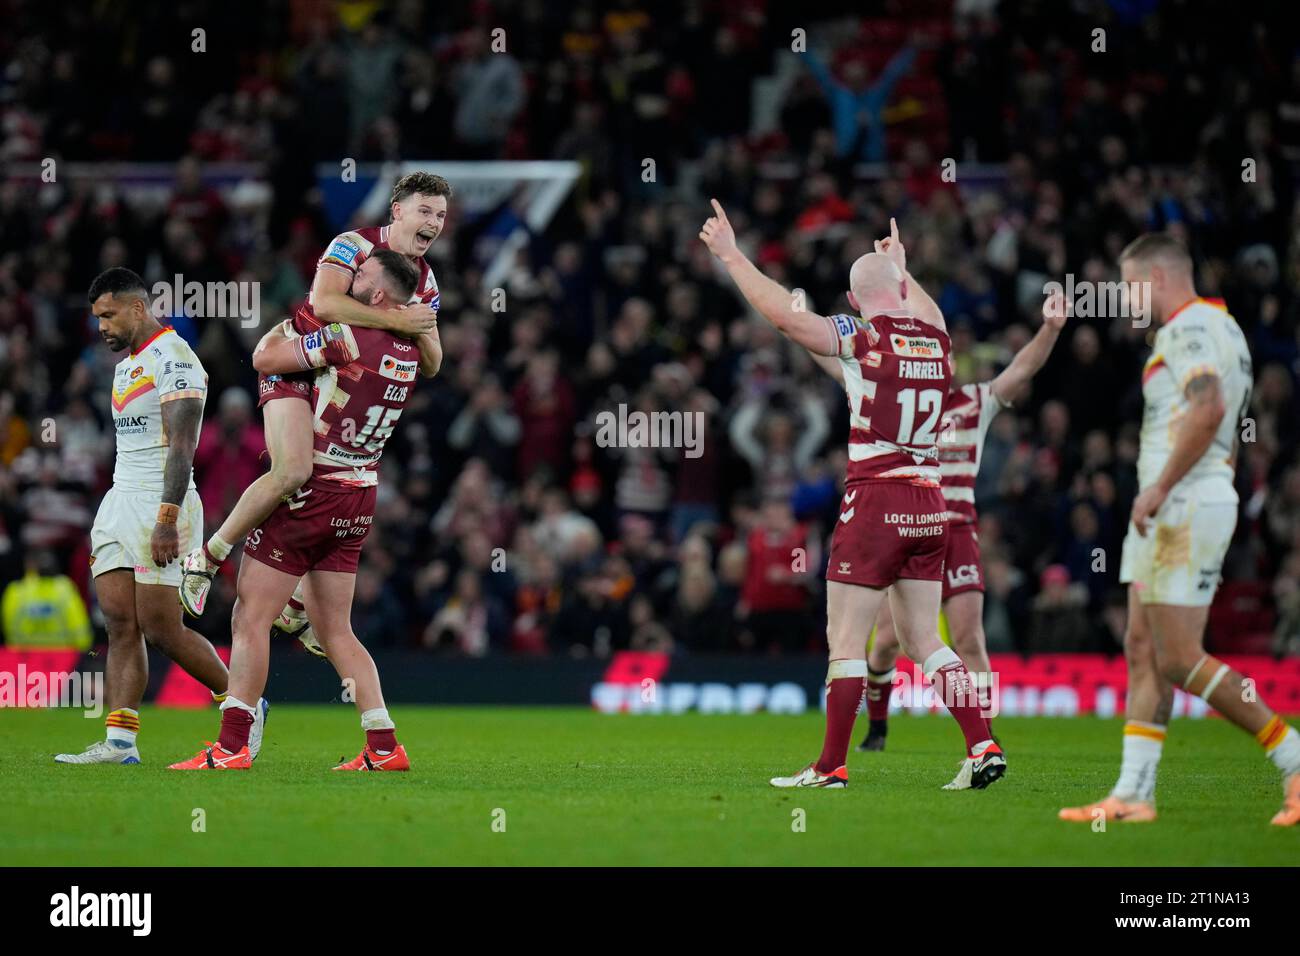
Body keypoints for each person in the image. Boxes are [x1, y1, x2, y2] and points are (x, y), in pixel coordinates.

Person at [700, 205, 1003, 789]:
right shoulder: (939, 341)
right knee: (925, 641)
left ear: (855, 300)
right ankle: (982, 742)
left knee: (846, 641)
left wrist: (731, 256)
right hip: (931, 505)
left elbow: (791, 323)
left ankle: (830, 766)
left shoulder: (861, 335)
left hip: (875, 503)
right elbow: (925, 308)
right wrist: (902, 266)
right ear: (903, 290)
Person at [1059, 233, 1300, 826]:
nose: (1126, 297)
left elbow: (1210, 405)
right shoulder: (1226, 329)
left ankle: (1293, 757)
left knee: (1179, 658)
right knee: (1141, 650)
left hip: (1181, 505)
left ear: (1158, 278)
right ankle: (1134, 794)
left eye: (1130, 285)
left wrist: (1163, 485)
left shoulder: (1186, 330)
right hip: (1184, 503)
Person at [168, 249, 438, 771]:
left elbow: (267, 361)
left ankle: (231, 747)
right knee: (336, 630)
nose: (348, 280)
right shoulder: (409, 348)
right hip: (360, 494)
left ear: (379, 296)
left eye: (361, 276)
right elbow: (432, 357)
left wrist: (274, 334)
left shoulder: (347, 337)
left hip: (314, 492)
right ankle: (384, 747)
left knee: (250, 617)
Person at [808, 289, 1068, 788]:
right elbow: (837, 363)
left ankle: (983, 737)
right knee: (890, 642)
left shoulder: (974, 403)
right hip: (913, 522)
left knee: (965, 636)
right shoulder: (887, 384)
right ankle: (883, 729)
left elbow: (1019, 372)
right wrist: (805, 331)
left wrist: (1050, 330)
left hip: (950, 526)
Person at [178, 172, 449, 637]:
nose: (434, 223)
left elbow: (434, 362)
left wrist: (415, 328)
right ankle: (206, 559)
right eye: (425, 211)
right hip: (297, 360)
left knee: (338, 485)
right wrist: (398, 319)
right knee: (293, 471)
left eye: (441, 215)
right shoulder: (352, 244)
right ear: (398, 210)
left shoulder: (426, 282)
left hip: (340, 377)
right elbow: (324, 304)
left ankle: (294, 602)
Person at [56, 268, 264, 765]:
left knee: (161, 629)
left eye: (108, 315)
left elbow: (184, 446)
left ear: (136, 308)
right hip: (119, 499)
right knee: (119, 623)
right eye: (96, 318)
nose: (101, 326)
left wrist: (167, 517)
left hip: (161, 504)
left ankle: (246, 706)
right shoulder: (129, 364)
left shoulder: (176, 359)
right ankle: (120, 742)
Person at [2, 550, 92, 649]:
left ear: (29, 566)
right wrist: (83, 653)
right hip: (63, 659)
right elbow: (79, 628)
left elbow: (8, 629)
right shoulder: (64, 588)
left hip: (24, 658)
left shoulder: (15, 591)